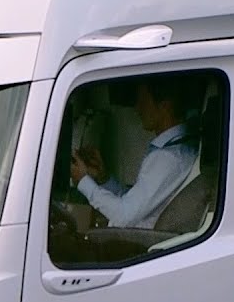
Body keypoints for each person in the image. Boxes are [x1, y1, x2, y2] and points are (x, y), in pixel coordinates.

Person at [70, 76, 203, 229]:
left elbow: (124, 216)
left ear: (165, 107)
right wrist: (104, 179)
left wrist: (82, 181)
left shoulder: (167, 158)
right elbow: (136, 203)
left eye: (143, 102)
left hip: (139, 243)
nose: (137, 109)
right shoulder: (179, 149)